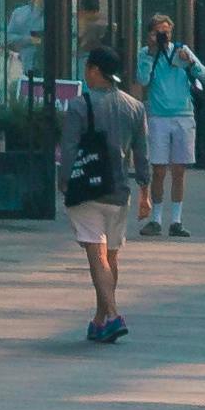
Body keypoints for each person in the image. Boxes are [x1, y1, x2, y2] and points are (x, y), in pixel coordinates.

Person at [64, 45, 143, 340]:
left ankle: (113, 314)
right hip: (120, 190)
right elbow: (142, 154)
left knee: (96, 257)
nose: (85, 74)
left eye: (87, 68)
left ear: (95, 70)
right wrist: (145, 191)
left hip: (87, 188)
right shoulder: (134, 106)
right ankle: (99, 320)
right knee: (111, 256)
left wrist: (64, 182)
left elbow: (69, 149)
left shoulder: (79, 106)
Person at [138, 21, 205, 237]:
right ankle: (156, 219)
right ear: (150, 33)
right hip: (159, 115)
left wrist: (191, 63)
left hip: (183, 115)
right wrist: (150, 53)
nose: (163, 36)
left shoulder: (181, 50)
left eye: (166, 32)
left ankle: (176, 220)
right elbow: (142, 79)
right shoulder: (145, 54)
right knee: (158, 170)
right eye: (159, 32)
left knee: (179, 170)